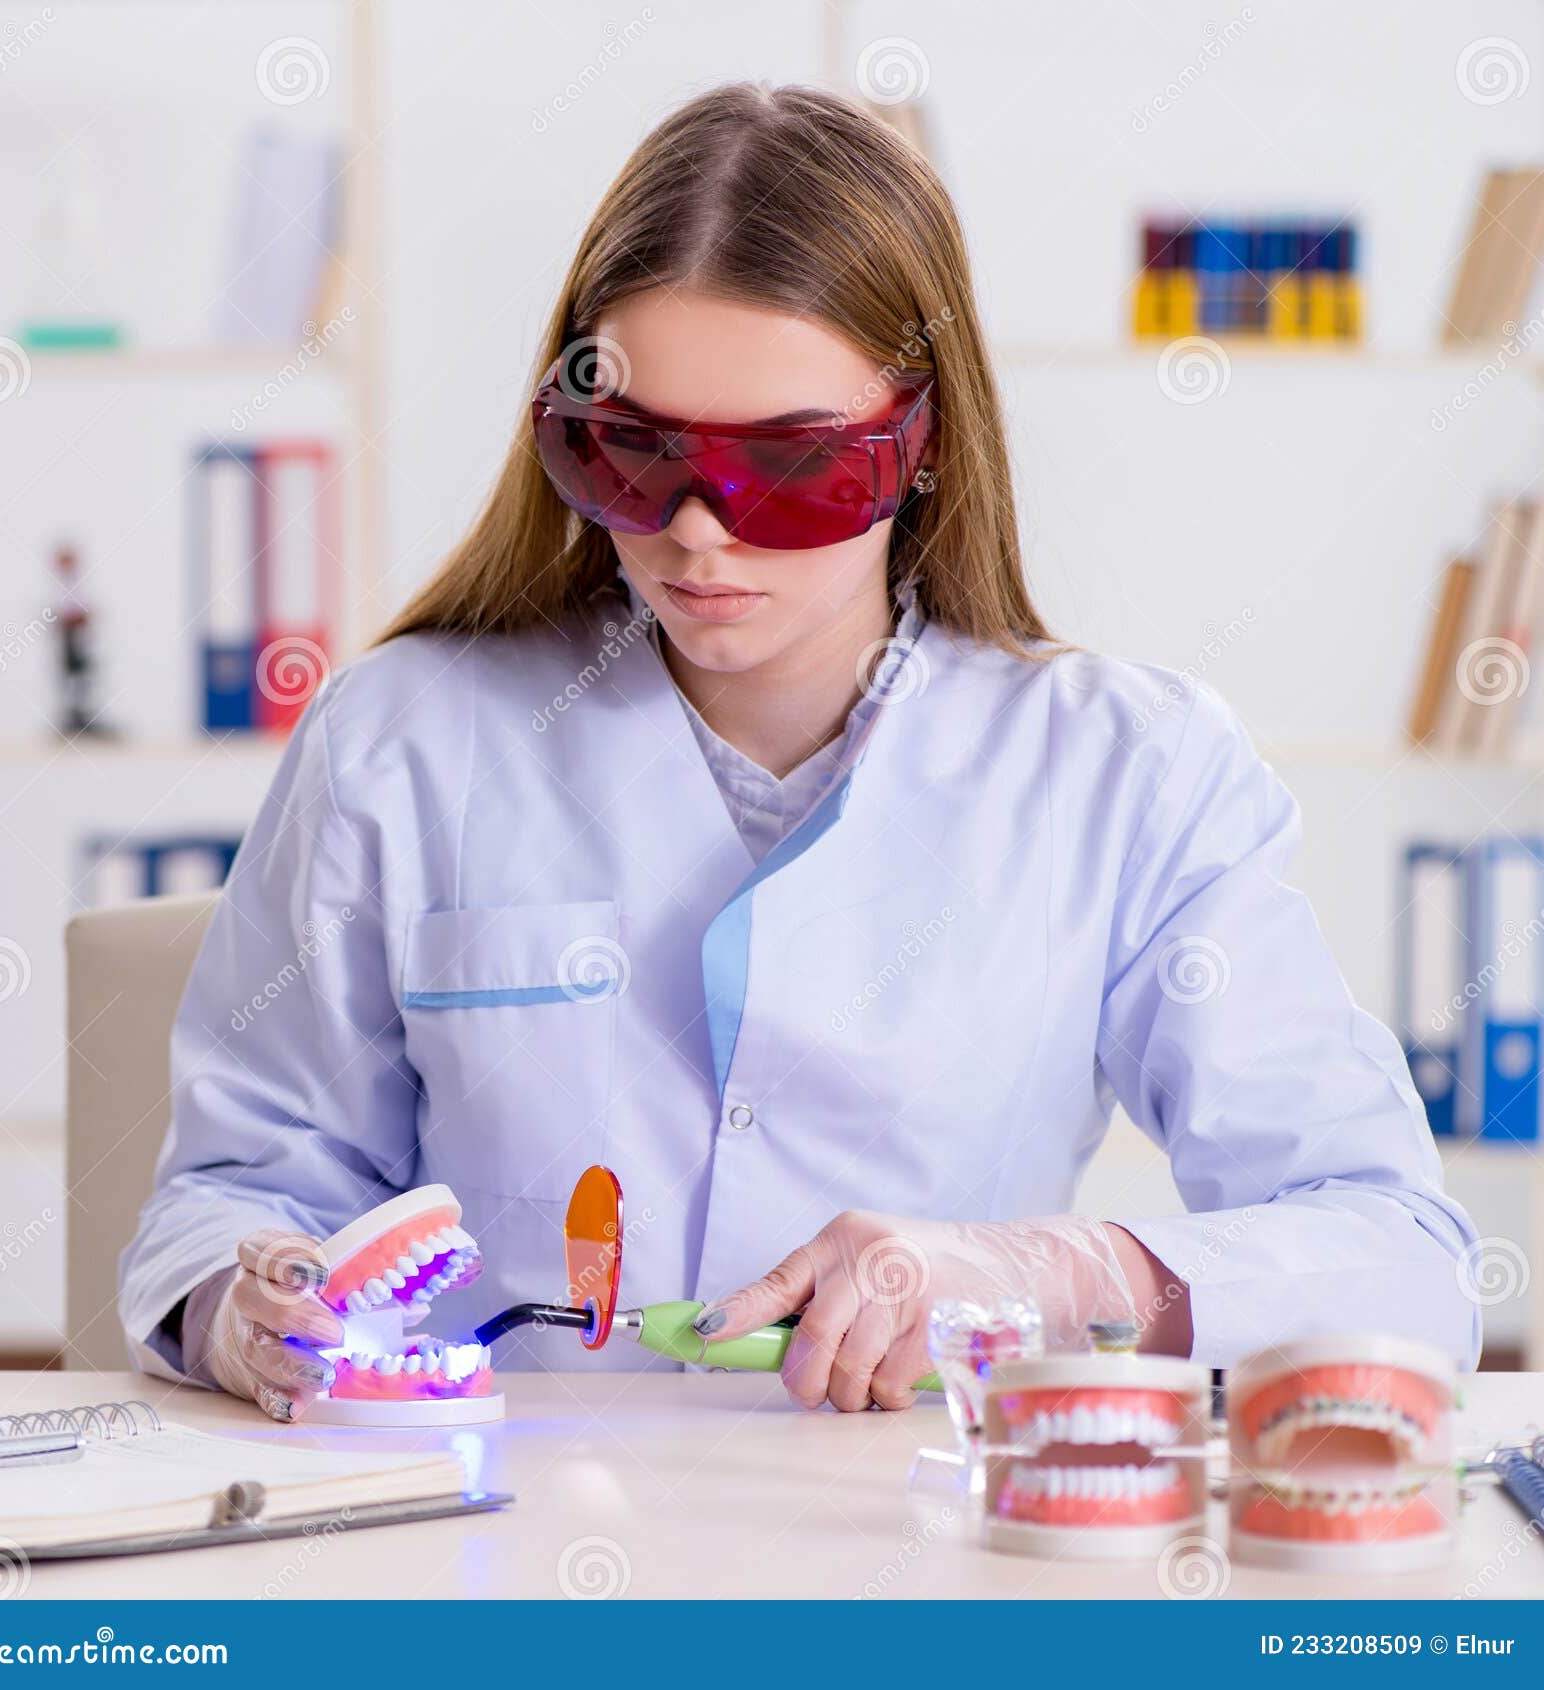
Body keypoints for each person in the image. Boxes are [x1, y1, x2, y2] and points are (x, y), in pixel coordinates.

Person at [119, 83, 1479, 1422]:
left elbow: (1406, 1260)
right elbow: (239, 1193)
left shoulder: (1128, 770)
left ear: (921, 444)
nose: (700, 534)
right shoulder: (404, 741)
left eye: (789, 467)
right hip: (494, 1554)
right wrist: (246, 1303)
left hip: (918, 1560)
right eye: (634, 457)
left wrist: (1054, 1276)